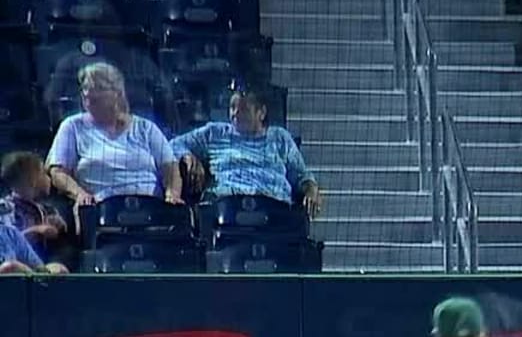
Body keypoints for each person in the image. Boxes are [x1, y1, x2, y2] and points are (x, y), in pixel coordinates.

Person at [46, 62, 182, 209]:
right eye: (85, 88)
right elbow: (58, 172)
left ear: (117, 93)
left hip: (150, 208)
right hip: (100, 209)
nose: (88, 94)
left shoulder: (145, 128)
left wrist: (172, 194)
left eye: (98, 88)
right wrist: (80, 194)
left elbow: (171, 168)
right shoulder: (73, 126)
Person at [171, 87, 322, 216]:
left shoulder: (280, 138)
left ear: (261, 113)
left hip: (274, 212)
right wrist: (187, 156)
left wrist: (311, 189)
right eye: (232, 107)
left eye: (243, 109)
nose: (235, 113)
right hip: (225, 209)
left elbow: (302, 176)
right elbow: (173, 145)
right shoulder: (214, 133)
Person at [1, 151, 74, 265]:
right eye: (44, 173)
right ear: (32, 179)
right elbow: (7, 240)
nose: (49, 178)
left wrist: (60, 228)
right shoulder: (6, 208)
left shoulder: (47, 210)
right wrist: (36, 231)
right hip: (17, 264)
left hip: (44, 263)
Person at [0, 222, 68, 274]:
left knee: (60, 269)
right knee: (9, 268)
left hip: (16, 290)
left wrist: (50, 271)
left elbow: (38, 268)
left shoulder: (10, 233)